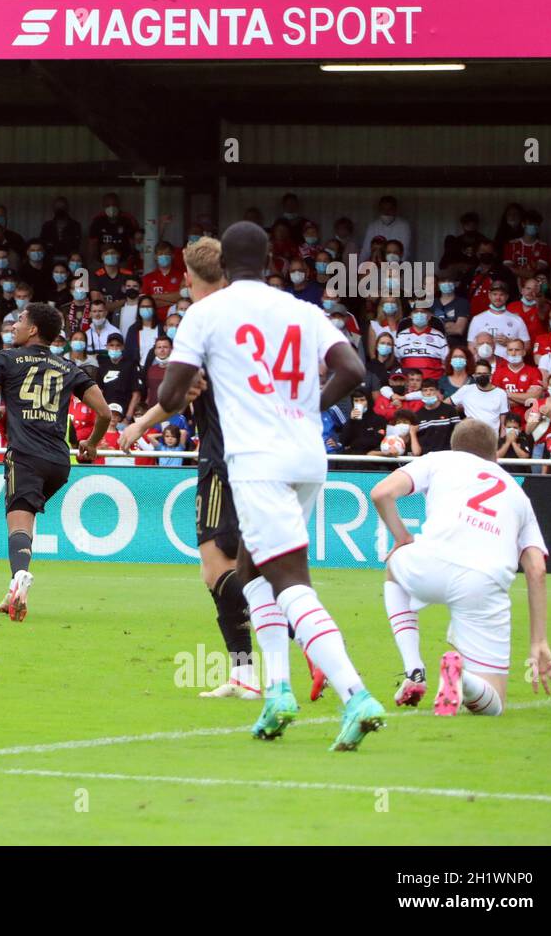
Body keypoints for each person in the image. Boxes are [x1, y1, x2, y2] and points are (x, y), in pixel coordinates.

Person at [157, 220, 385, 750]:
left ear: (223, 263)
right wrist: (307, 406)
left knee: (290, 582)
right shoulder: (303, 310)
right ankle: (277, 692)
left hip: (256, 461)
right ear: (267, 261)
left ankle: (357, 693)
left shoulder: (206, 312)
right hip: (307, 455)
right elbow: (353, 369)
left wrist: (183, 385)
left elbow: (170, 397)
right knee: (253, 572)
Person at [370, 419, 551, 716]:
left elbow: (381, 493)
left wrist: (403, 539)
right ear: (495, 454)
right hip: (483, 581)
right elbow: (537, 569)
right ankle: (462, 677)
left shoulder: (438, 460)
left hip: (429, 563)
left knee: (395, 564)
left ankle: (414, 668)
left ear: (454, 446)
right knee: (493, 704)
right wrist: (539, 641)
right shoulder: (516, 492)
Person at [0, 302, 111, 621]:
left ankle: (19, 578)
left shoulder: (5, 358)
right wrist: (90, 444)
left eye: (20, 320)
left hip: (24, 455)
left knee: (17, 522)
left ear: (33, 329)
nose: (14, 325)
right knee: (28, 516)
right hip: (59, 463)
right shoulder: (68, 366)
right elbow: (104, 413)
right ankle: (13, 587)